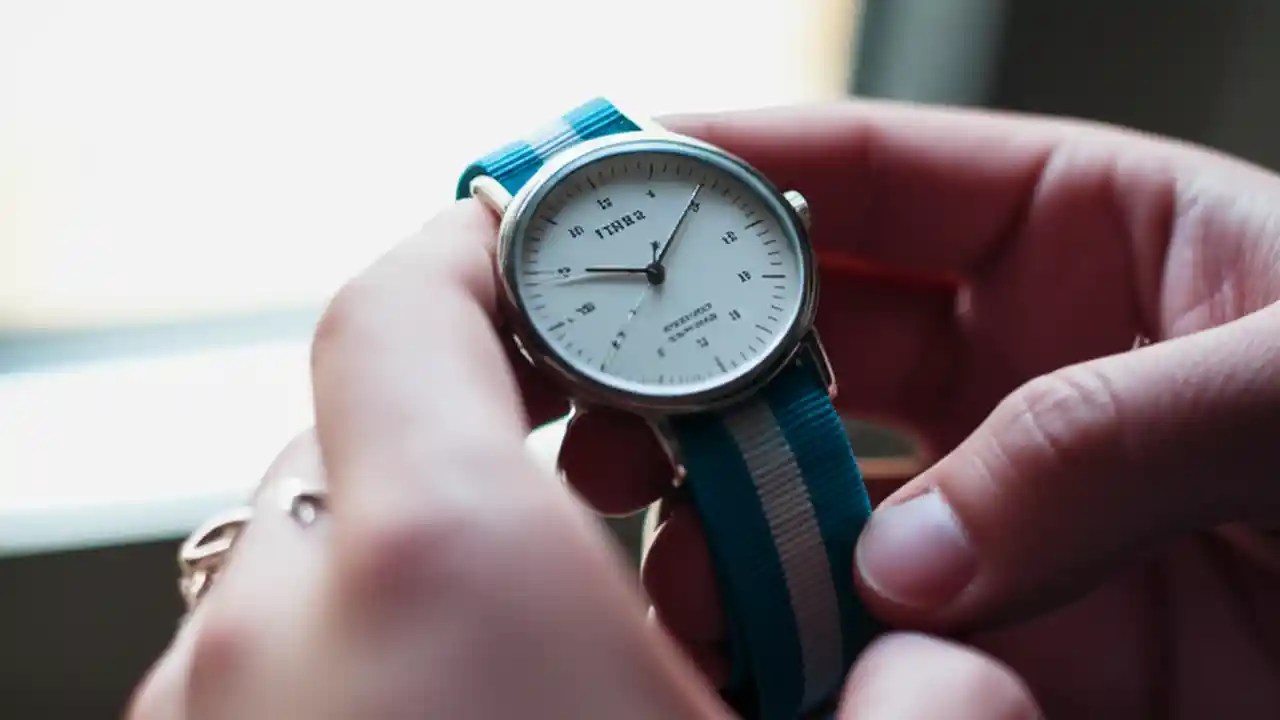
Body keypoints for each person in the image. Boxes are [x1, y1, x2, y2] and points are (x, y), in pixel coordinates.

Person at [126, 100, 1280, 719]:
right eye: (597, 279)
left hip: (766, 366)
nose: (646, 274)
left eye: (669, 245)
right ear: (542, 334)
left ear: (770, 219)